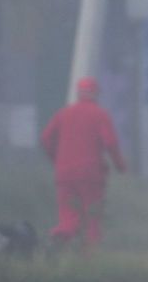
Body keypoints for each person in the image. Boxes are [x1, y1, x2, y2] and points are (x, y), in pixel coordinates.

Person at [40, 76, 128, 250]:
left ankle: (56, 244)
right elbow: (110, 143)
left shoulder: (63, 114)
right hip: (91, 175)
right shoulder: (100, 115)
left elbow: (45, 139)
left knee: (68, 218)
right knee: (91, 218)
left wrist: (56, 159)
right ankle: (89, 258)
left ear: (78, 93)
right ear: (96, 94)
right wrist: (120, 166)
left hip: (64, 175)